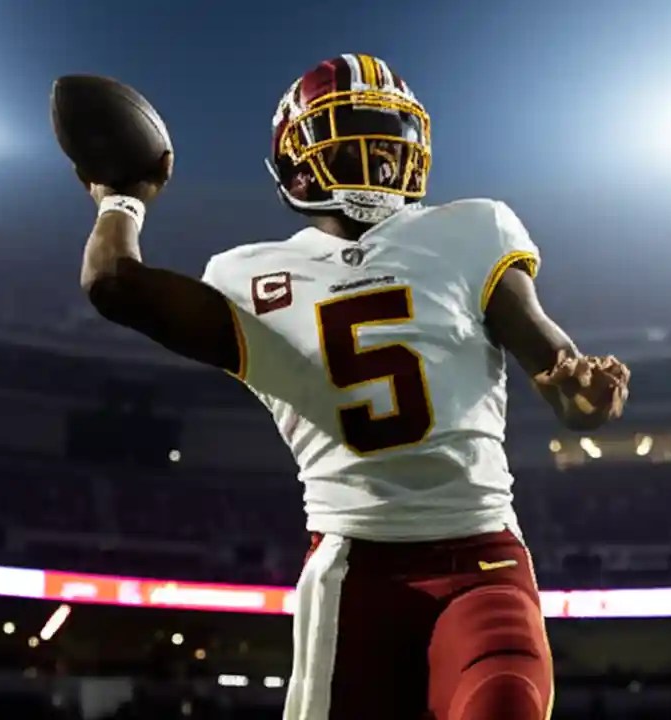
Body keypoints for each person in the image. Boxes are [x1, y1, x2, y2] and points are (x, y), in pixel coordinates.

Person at [79, 54, 629, 720]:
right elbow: (114, 284)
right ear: (298, 160)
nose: (383, 150)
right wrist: (122, 198)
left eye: (392, 131)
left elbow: (553, 361)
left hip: (481, 556)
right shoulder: (246, 276)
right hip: (352, 572)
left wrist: (579, 394)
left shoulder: (471, 230)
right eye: (356, 128)